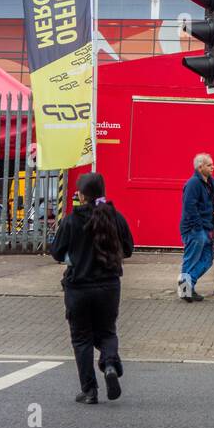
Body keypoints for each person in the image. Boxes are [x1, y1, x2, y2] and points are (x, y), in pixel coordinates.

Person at [50, 172, 134, 404]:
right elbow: (128, 248)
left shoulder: (71, 220)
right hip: (109, 286)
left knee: (82, 339)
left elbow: (56, 252)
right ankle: (109, 364)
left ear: (82, 195)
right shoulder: (115, 217)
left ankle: (89, 390)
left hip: (79, 287)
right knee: (107, 331)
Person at [178, 153, 214, 302]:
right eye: (209, 165)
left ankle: (187, 285)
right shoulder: (193, 184)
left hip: (206, 228)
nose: (213, 167)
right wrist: (199, 227)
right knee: (191, 260)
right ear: (200, 167)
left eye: (212, 164)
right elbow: (189, 207)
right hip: (195, 229)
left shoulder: (211, 182)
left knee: (207, 260)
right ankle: (186, 292)